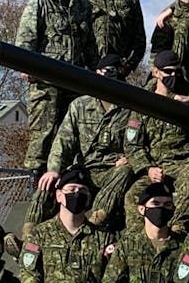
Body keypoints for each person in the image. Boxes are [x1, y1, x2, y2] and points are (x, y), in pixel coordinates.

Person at [123, 49, 189, 235]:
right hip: (157, 165)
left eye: (177, 71)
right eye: (168, 72)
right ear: (156, 72)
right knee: (133, 195)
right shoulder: (143, 101)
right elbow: (132, 144)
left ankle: (177, 231)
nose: (174, 76)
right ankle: (139, 238)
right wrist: (147, 168)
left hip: (187, 161)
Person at [16, 0, 99, 181]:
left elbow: (90, 45)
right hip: (45, 85)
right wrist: (26, 67)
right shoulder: (39, 3)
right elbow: (25, 41)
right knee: (42, 137)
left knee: (73, 137)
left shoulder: (83, 5)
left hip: (74, 84)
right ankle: (35, 185)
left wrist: (98, 73)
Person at [21, 167, 117, 283]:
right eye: (71, 190)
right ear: (58, 196)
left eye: (82, 192)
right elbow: (30, 280)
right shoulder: (39, 235)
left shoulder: (104, 239)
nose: (76, 195)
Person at [40, 53, 137, 229]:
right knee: (47, 182)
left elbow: (136, 141)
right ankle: (30, 232)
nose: (111, 75)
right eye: (107, 71)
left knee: (126, 171)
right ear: (97, 73)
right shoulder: (81, 105)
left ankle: (95, 220)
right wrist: (54, 170)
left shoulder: (131, 107)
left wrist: (129, 158)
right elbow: (64, 140)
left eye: (116, 71)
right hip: (83, 170)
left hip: (112, 170)